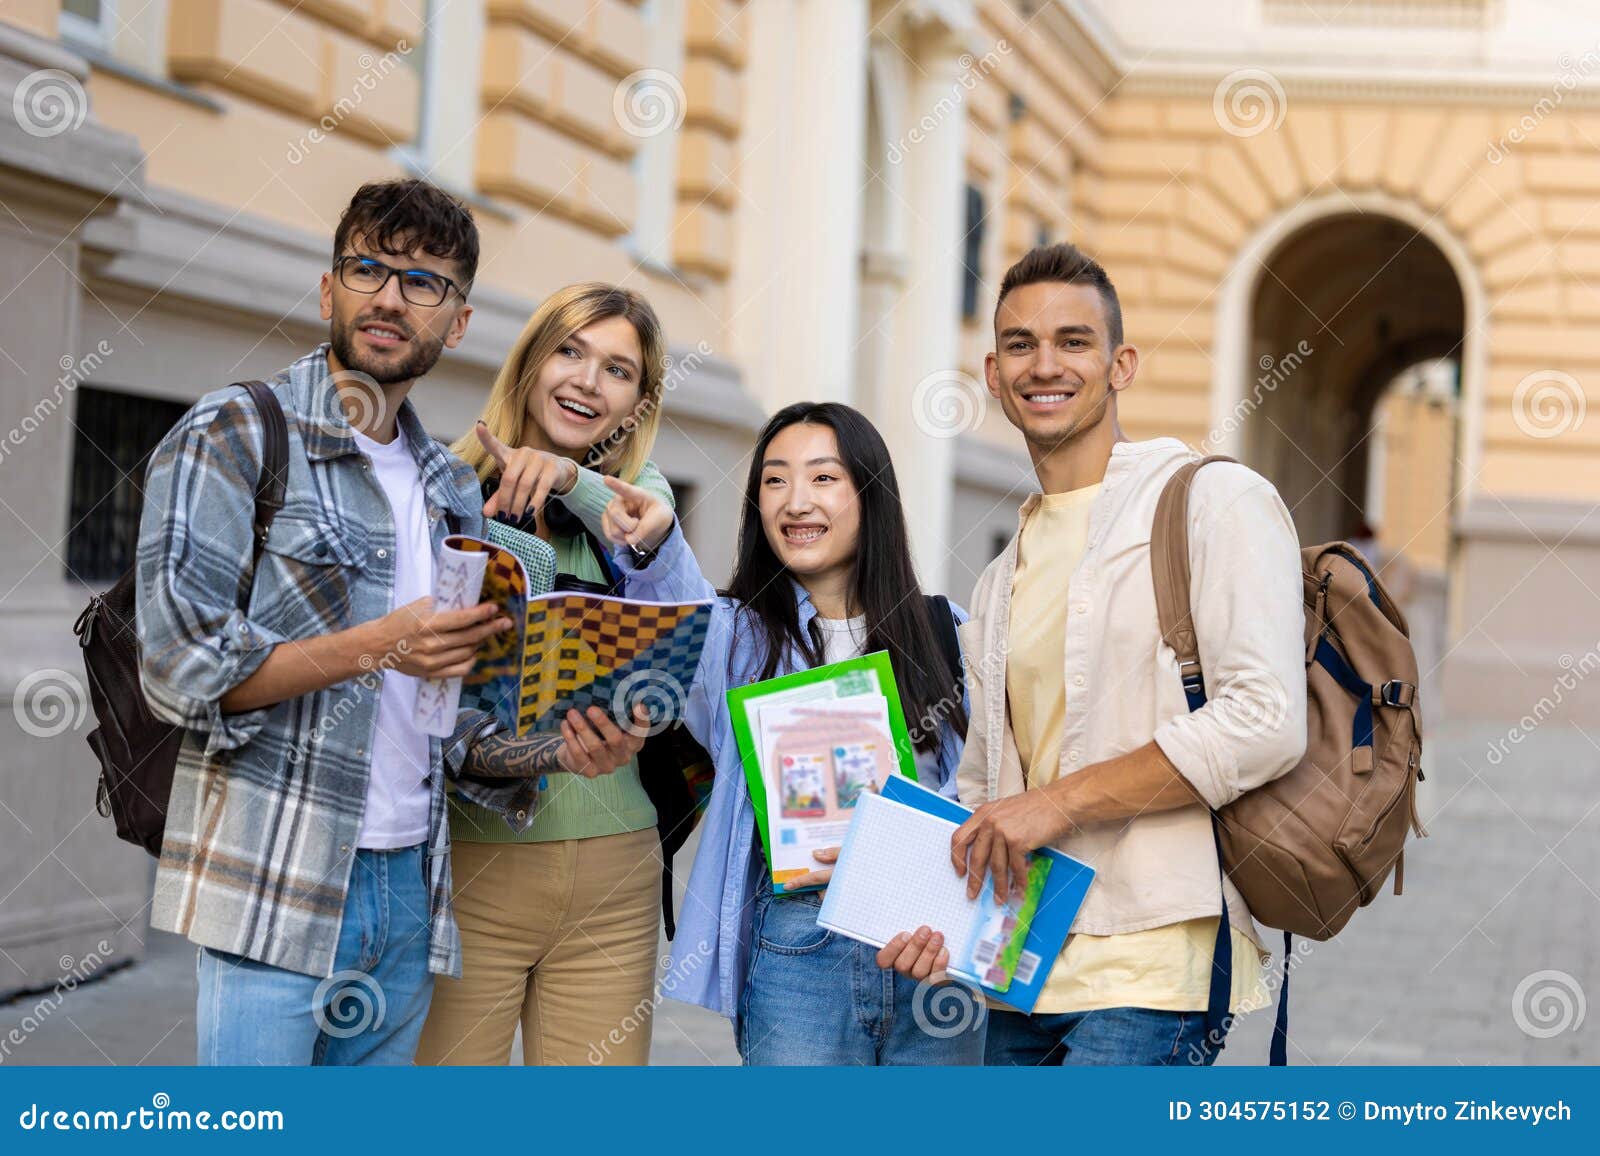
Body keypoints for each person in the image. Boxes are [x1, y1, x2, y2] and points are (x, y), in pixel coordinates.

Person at [137, 179, 644, 1066]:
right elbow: (180, 668)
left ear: (456, 322)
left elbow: (449, 726)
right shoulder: (238, 432)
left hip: (411, 894)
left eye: (422, 282)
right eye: (368, 268)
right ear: (329, 289)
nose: (388, 296)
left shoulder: (451, 488)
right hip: (277, 886)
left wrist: (560, 752)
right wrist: (378, 646)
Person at [879, 242, 1306, 1066]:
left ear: (1121, 365)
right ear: (993, 375)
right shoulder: (1004, 573)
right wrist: (925, 911)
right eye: (1019, 345)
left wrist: (1058, 804)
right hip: (1019, 965)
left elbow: (1266, 721)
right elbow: (986, 789)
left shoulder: (1211, 500)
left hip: (1154, 965)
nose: (1046, 364)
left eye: (1073, 341)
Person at [597, 402, 986, 1065]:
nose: (795, 501)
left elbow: (991, 778)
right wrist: (655, 543)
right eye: (774, 480)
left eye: (823, 478)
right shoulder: (734, 635)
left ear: (871, 495)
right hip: (800, 943)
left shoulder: (946, 627)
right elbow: (675, 610)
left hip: (932, 940)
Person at [415, 283, 676, 1066]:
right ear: (529, 363)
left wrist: (568, 480)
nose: (588, 382)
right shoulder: (442, 492)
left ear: (638, 399)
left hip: (616, 874)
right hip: (472, 867)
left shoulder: (640, 503)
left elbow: (641, 523)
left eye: (618, 369)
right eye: (570, 351)